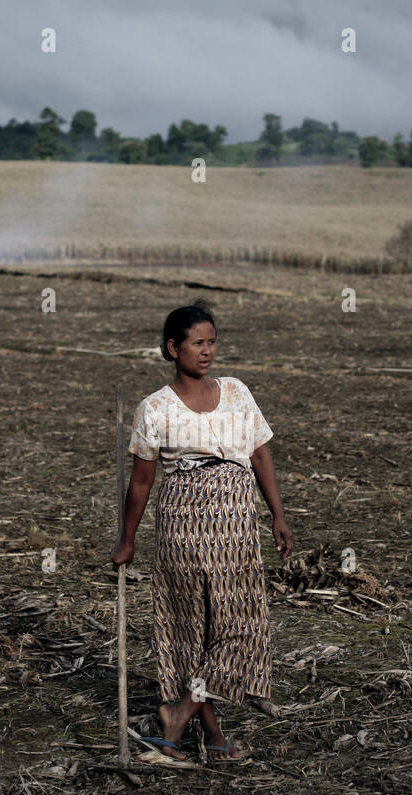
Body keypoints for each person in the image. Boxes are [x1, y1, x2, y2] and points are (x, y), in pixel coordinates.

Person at [110, 299, 293, 762]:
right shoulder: (154, 408)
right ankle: (209, 734)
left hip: (237, 526)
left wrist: (278, 514)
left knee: (243, 624)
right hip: (184, 526)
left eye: (212, 341)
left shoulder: (236, 391)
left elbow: (259, 455)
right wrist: (128, 539)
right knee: (195, 629)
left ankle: (183, 718)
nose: (207, 351)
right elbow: (142, 482)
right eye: (197, 343)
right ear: (173, 348)